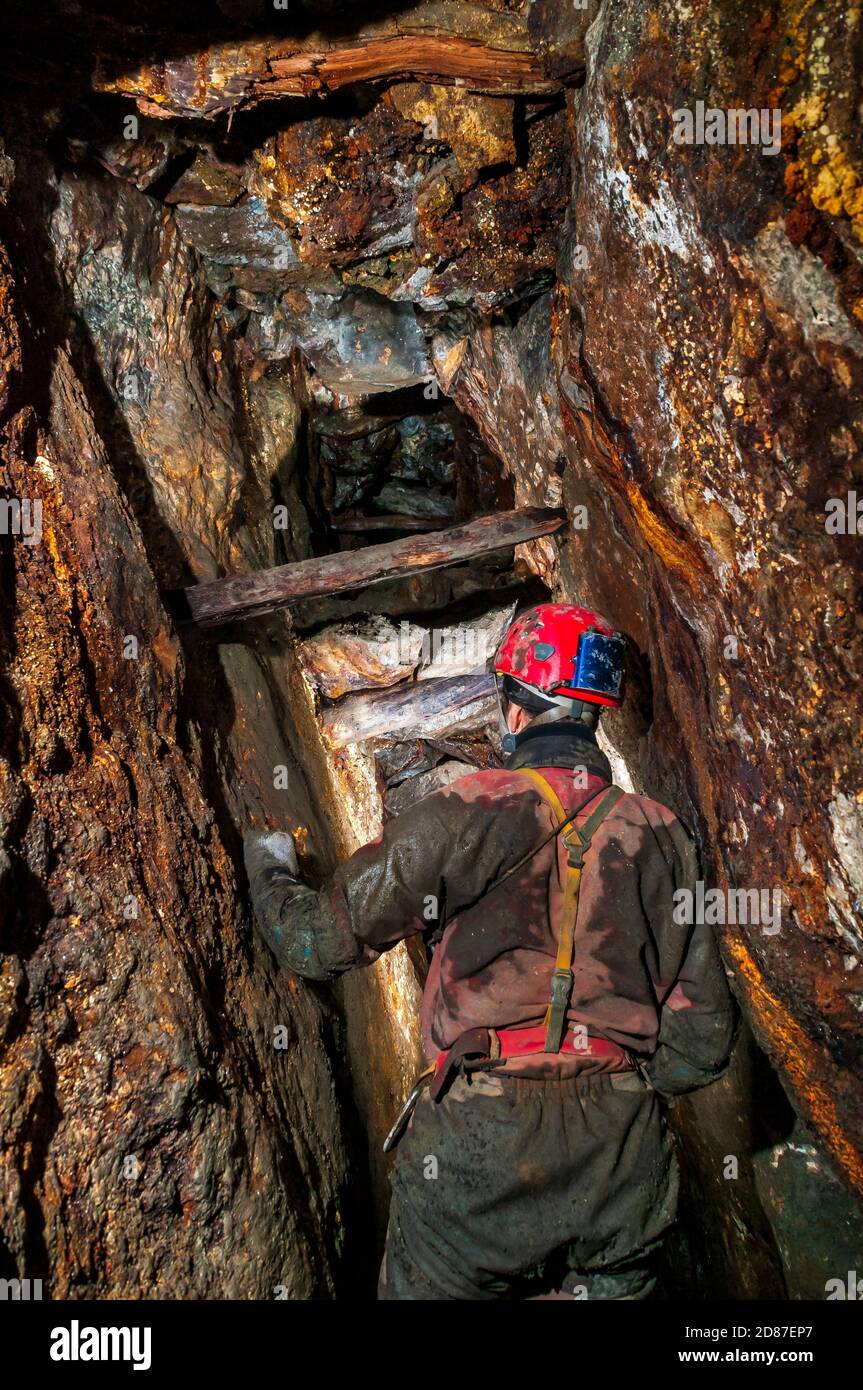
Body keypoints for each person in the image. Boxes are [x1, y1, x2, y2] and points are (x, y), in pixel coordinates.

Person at [244, 603, 738, 1300]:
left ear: (514, 710)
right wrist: (606, 1082)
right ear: (595, 717)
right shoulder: (662, 836)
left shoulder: (466, 809)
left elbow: (316, 943)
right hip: (622, 1153)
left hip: (483, 1139)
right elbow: (699, 1044)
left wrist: (268, 870)